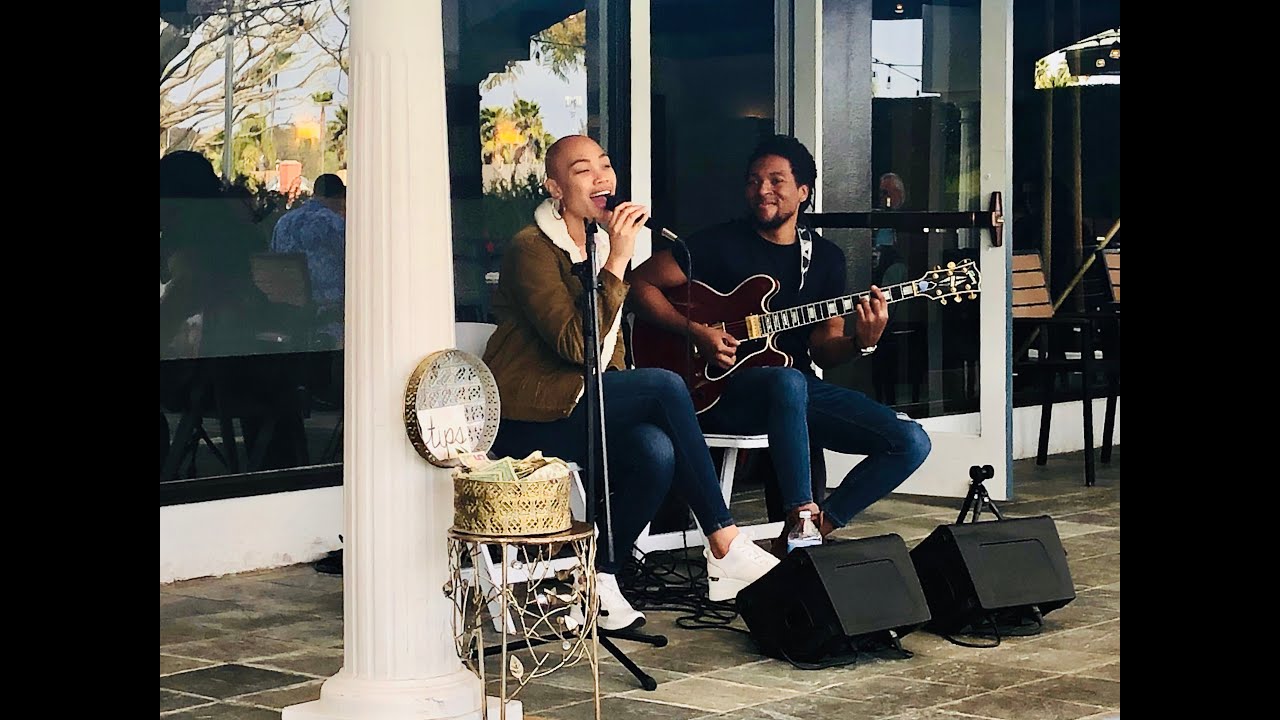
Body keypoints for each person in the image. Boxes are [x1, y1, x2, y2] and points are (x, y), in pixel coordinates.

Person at [481, 135, 780, 629]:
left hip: (582, 405)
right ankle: (723, 540)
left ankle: (599, 577)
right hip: (528, 415)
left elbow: (610, 353)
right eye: (583, 170)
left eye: (605, 165)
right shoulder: (531, 249)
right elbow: (577, 346)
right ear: (555, 188)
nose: (602, 177)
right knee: (664, 385)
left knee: (654, 450)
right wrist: (619, 261)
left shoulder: (596, 244)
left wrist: (625, 402)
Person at [629, 135, 932, 555]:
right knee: (787, 380)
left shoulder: (825, 258)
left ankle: (811, 529)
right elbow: (637, 285)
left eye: (776, 180)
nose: (762, 190)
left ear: (803, 192)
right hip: (720, 390)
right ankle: (800, 512)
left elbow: (824, 347)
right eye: (754, 181)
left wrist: (862, 343)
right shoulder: (718, 244)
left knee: (911, 441)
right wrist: (696, 332)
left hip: (796, 393)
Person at [270, 173, 348, 348]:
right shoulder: (333, 223)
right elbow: (354, 261)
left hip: (287, 306)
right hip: (325, 308)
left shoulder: (283, 222)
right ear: (339, 197)